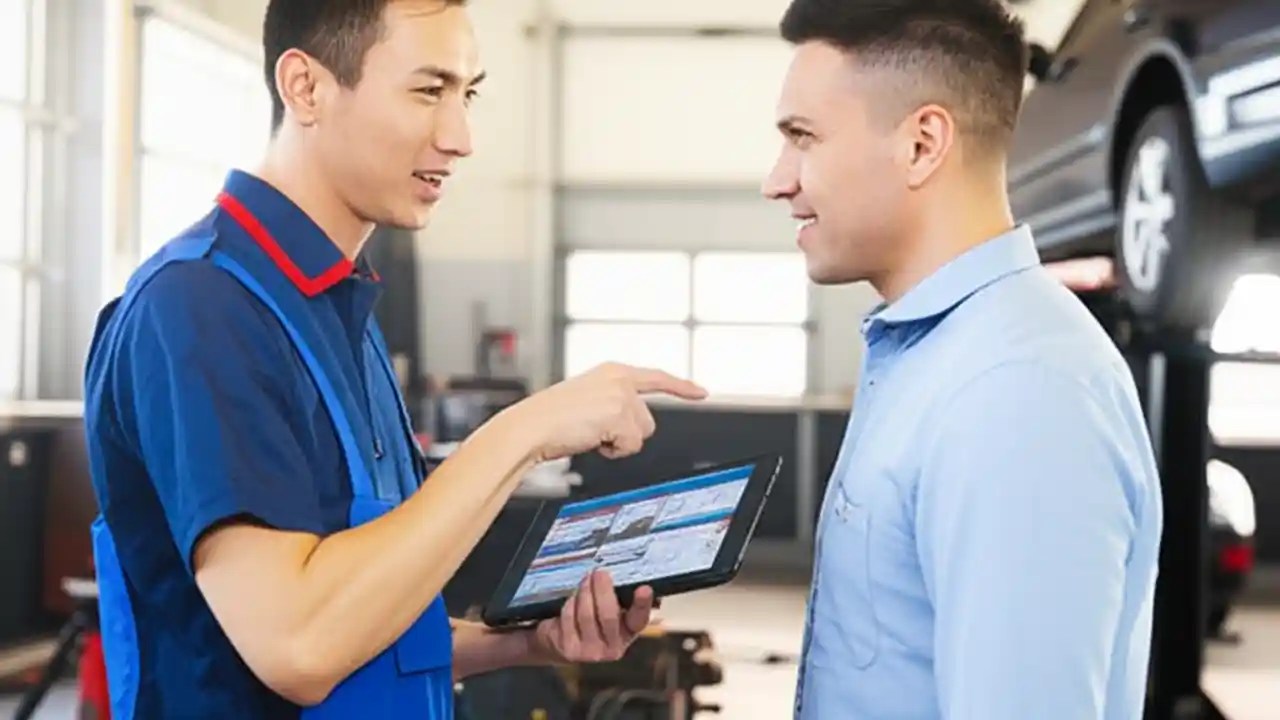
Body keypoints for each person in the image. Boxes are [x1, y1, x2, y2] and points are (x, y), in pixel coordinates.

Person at [82, 1, 706, 718]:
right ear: (306, 87)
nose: (461, 136)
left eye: (466, 94)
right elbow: (300, 643)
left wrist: (526, 644)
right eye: (427, 90)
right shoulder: (199, 308)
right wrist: (521, 434)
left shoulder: (336, 307)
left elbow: (369, 618)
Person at [761, 1, 1163, 718]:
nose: (777, 180)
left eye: (803, 139)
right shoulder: (935, 354)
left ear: (922, 144)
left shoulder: (1019, 394)